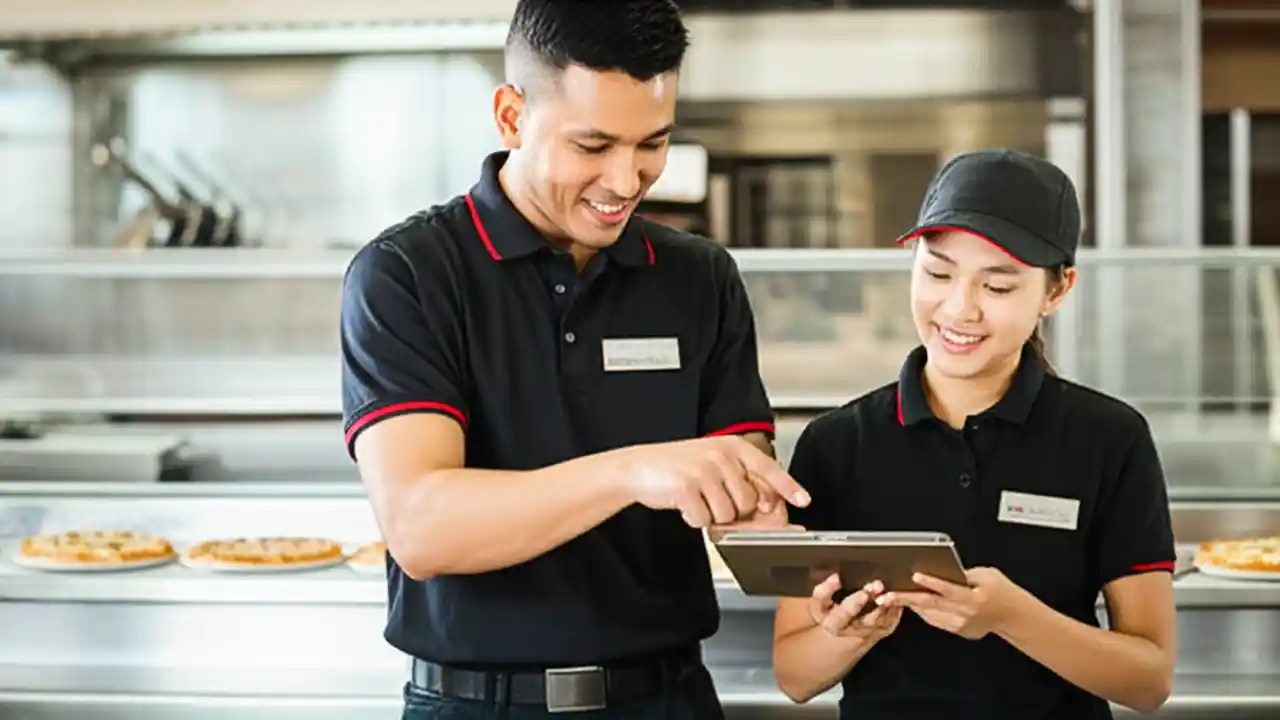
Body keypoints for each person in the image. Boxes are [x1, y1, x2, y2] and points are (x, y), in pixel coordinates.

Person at [339, 1, 809, 718]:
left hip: (669, 698)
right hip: (479, 706)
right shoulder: (409, 274)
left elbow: (737, 492)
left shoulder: (698, 278)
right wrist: (632, 470)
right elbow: (422, 528)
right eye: (592, 146)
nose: (626, 180)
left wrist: (779, 534)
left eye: (654, 143)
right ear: (510, 117)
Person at [771, 149, 1178, 719]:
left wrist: (1011, 616)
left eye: (999, 287)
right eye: (937, 273)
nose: (959, 309)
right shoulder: (835, 445)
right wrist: (850, 633)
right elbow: (794, 675)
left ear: (1056, 291)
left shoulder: (1109, 439)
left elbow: (1149, 680)